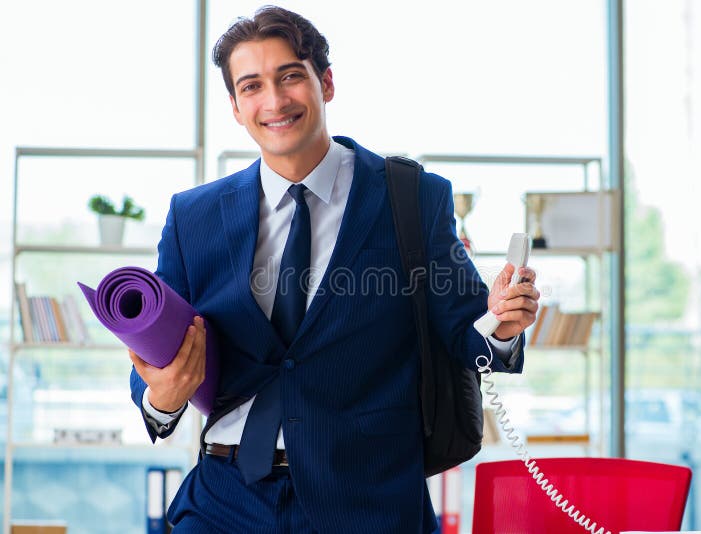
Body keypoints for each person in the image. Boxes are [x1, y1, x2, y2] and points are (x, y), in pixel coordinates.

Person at [128, 5, 539, 533]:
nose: (274, 101)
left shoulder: (410, 198)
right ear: (235, 106)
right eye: (251, 86)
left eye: (290, 77)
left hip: (367, 501)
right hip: (226, 500)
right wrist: (162, 399)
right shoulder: (194, 217)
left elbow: (468, 332)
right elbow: (156, 365)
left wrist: (502, 324)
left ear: (326, 82)